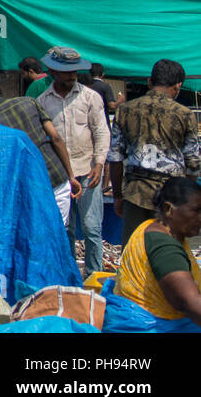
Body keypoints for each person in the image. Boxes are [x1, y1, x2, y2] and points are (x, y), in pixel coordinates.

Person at [34, 47, 109, 273]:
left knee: (92, 228)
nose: (71, 76)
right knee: (64, 228)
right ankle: (69, 273)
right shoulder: (42, 101)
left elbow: (101, 132)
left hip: (87, 171)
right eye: (66, 72)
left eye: (74, 71)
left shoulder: (90, 97)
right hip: (60, 176)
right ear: (52, 71)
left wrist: (99, 163)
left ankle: (94, 274)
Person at [0, 70, 81, 225]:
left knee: (37, 239)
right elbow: (56, 138)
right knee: (58, 235)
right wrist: (71, 176)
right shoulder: (29, 102)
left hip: (30, 189)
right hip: (57, 179)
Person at [109, 58, 201, 244]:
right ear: (178, 86)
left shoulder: (125, 110)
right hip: (171, 199)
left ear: (150, 82)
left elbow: (115, 158)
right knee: (168, 252)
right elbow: (193, 163)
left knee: (134, 252)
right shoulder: (184, 114)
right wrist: (186, 198)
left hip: (135, 194)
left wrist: (118, 195)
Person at [111, 177, 201, 326]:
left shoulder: (154, 228)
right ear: (168, 209)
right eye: (196, 211)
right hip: (150, 326)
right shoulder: (164, 245)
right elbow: (189, 302)